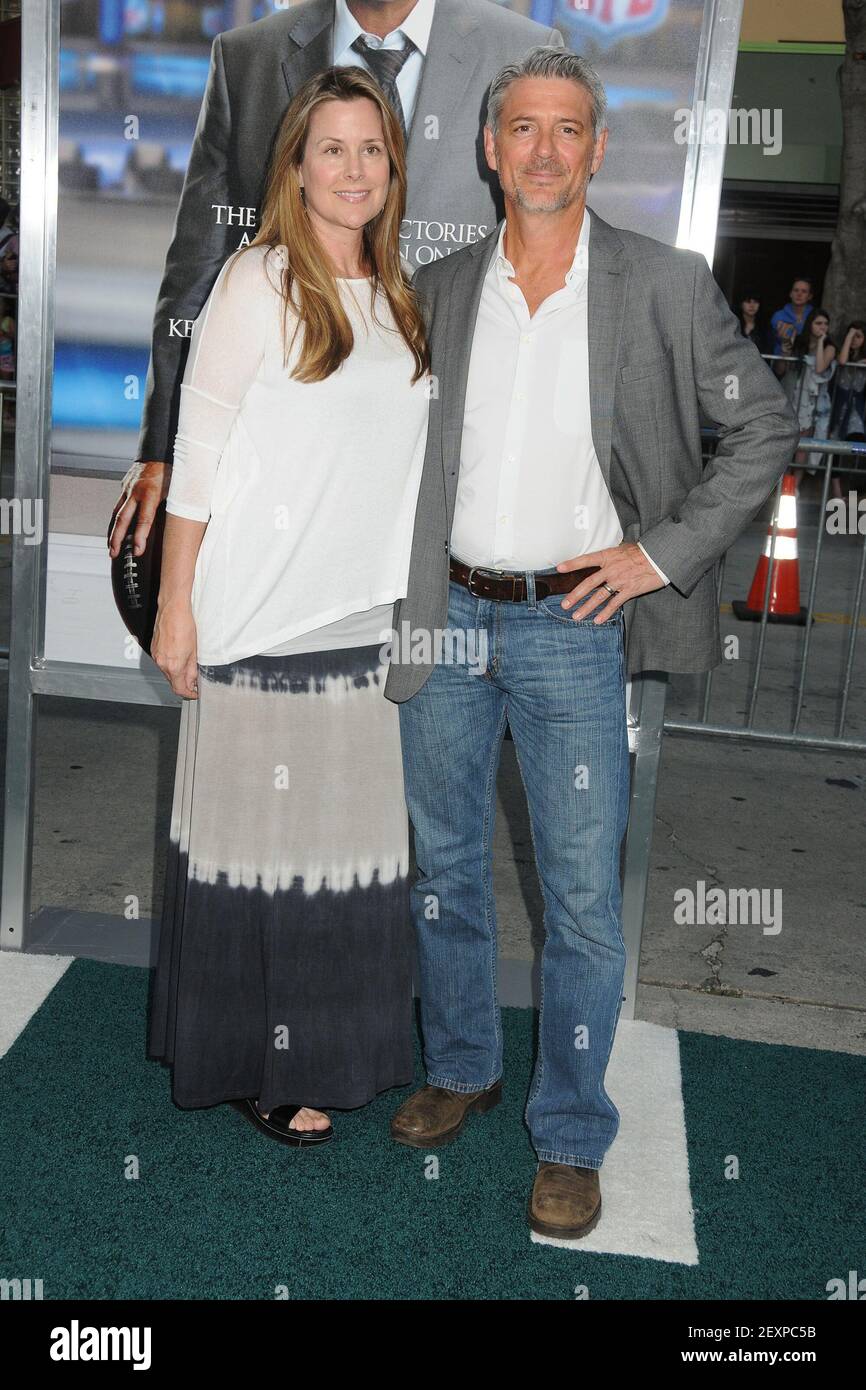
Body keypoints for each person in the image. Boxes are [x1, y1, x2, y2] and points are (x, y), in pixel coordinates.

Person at [381, 46, 800, 1238]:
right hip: (447, 620)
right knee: (443, 872)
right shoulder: (446, 287)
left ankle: (568, 1132)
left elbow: (760, 425)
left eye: (568, 129)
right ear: (488, 145)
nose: (545, 150)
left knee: (577, 900)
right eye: (523, 128)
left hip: (574, 625)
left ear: (598, 149)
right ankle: (461, 1065)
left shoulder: (663, 285)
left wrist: (658, 553)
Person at [146, 65, 430, 1146]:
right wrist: (178, 609)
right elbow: (199, 455)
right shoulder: (256, 280)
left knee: (342, 866)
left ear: (391, 164)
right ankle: (257, 1066)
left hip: (361, 627)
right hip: (259, 619)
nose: (353, 169)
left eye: (371, 149)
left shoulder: (401, 294)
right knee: (259, 859)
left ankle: (326, 1050)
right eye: (331, 149)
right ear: (295, 169)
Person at [107, 0, 563, 563]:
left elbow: (548, 250)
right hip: (288, 468)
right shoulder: (246, 57)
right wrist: (162, 449)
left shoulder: (524, 52)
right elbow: (198, 267)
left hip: (451, 454)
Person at [778, 307, 836, 490]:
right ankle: (782, 486)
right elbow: (781, 369)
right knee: (786, 446)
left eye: (826, 324)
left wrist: (820, 342)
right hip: (793, 397)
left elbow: (819, 368)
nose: (823, 327)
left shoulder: (830, 347)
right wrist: (785, 350)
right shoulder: (799, 344)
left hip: (813, 403)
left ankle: (794, 488)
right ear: (810, 324)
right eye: (819, 323)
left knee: (803, 447)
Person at [829, 321, 866, 499]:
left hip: (857, 412)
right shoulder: (843, 353)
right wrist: (849, 337)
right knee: (835, 449)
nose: (854, 340)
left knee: (857, 447)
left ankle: (855, 492)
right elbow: (842, 361)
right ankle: (837, 493)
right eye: (851, 335)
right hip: (839, 409)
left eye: (858, 336)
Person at [770, 276, 813, 357]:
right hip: (781, 361)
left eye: (804, 291)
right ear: (790, 294)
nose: (799, 294)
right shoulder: (778, 316)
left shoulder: (815, 316)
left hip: (807, 361)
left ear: (810, 296)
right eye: (796, 290)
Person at [735, 290, 772, 357]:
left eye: (755, 302)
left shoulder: (764, 327)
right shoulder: (734, 324)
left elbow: (768, 349)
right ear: (741, 304)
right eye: (748, 301)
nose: (752, 305)